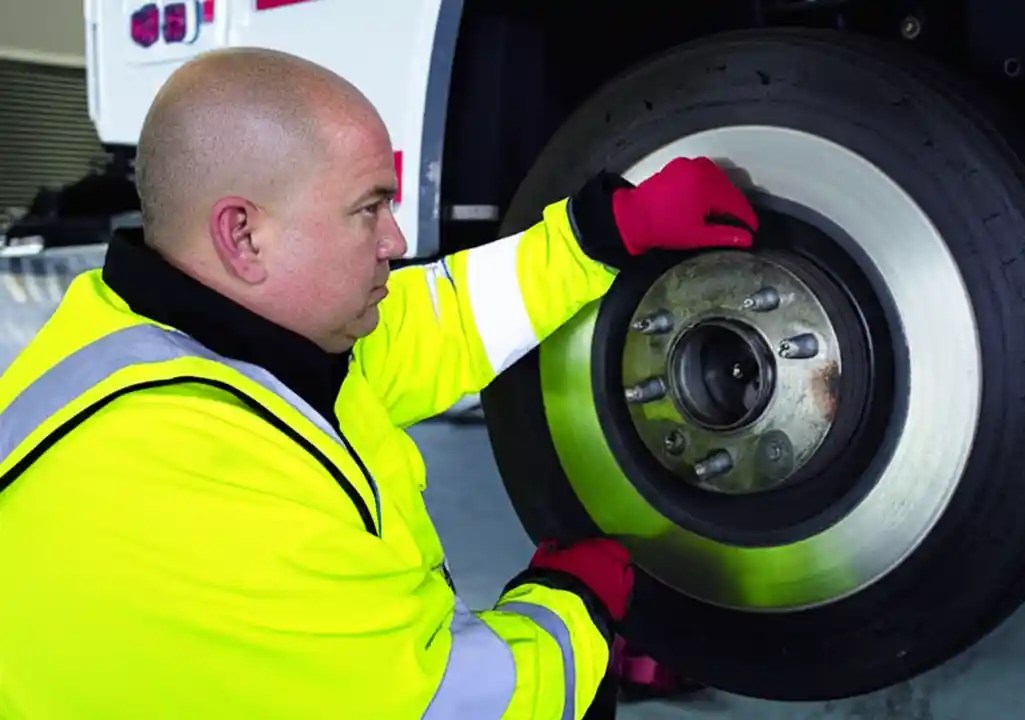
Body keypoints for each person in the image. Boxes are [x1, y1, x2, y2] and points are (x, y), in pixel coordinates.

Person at [0, 47, 757, 719]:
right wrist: (571, 608)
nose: (396, 243)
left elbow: (437, 323)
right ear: (244, 235)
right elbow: (448, 703)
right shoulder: (203, 493)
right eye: (371, 208)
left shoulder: (178, 340)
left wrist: (598, 233)